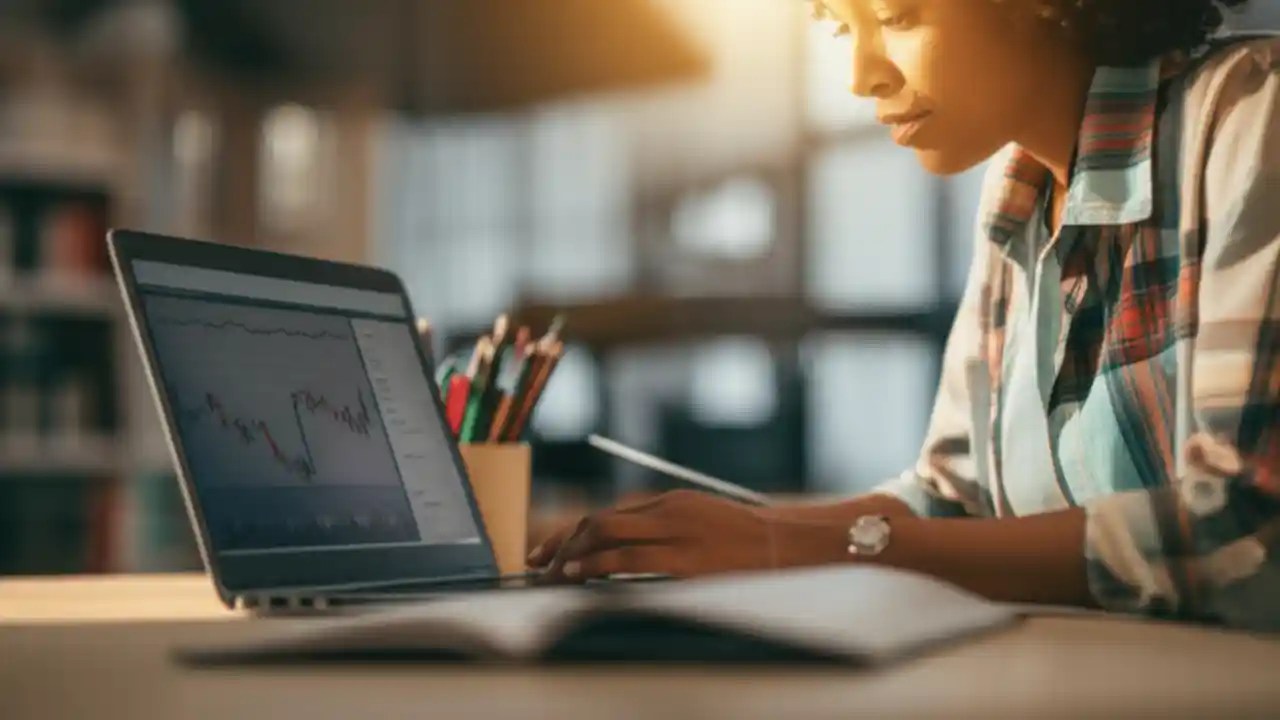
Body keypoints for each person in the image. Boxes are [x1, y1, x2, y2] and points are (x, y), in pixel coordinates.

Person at [529, 0, 1279, 631]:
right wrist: (712, 534)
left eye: (894, 16)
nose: (861, 75)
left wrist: (785, 549)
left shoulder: (1251, 119)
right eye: (839, 26)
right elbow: (952, 502)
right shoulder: (1018, 192)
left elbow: (1244, 529)